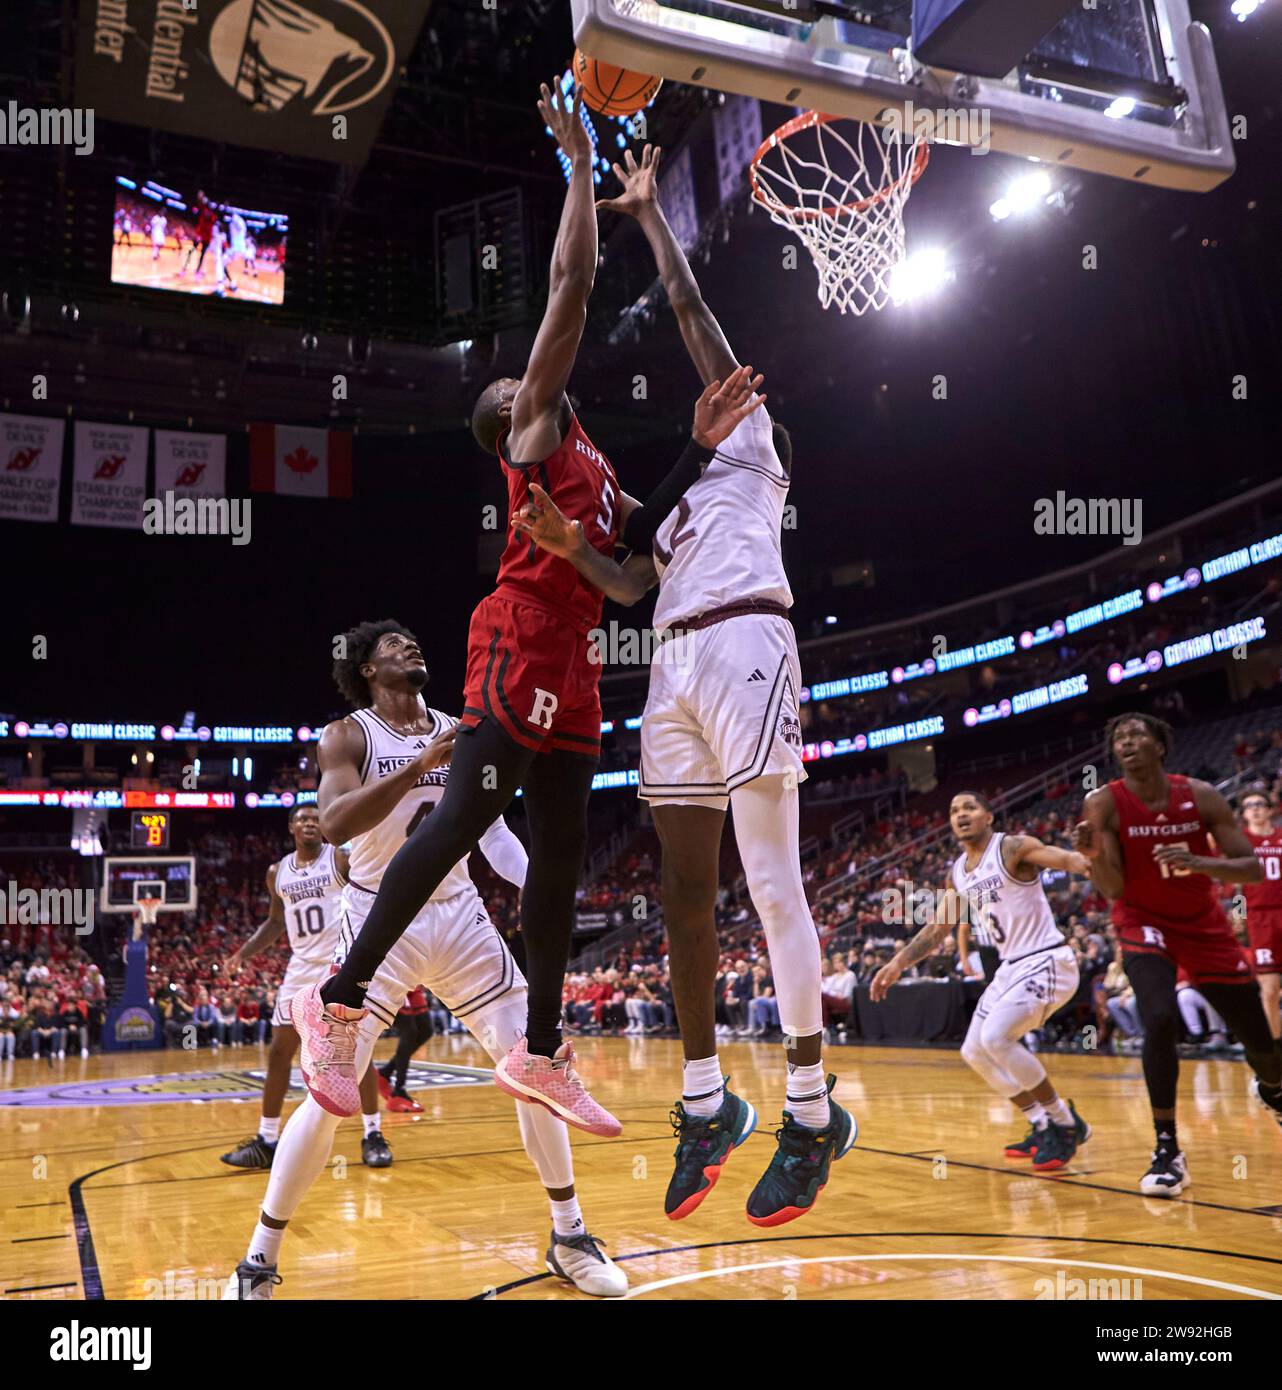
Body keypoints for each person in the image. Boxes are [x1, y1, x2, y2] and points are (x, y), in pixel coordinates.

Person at [295, 86, 761, 1139]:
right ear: (502, 421)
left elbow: (635, 574)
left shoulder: (590, 459)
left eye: (522, 377)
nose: (522, 376)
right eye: (506, 384)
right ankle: (340, 1000)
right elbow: (573, 278)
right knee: (463, 815)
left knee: (560, 851)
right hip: (516, 634)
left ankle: (541, 1050)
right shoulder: (534, 432)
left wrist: (691, 445)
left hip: (581, 651)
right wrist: (577, 162)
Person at [513, 142, 854, 1227]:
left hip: (749, 642)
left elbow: (688, 304)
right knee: (682, 899)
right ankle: (706, 1101)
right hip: (670, 665)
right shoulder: (677, 504)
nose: (714, 393)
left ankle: (808, 1108)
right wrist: (571, 546)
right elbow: (620, 585)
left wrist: (653, 214)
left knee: (773, 880)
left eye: (728, 394)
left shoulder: (748, 445)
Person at [225, 619, 627, 1299]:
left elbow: (493, 830)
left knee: (535, 1067)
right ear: (366, 670)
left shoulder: (465, 724)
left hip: (461, 916)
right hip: (379, 921)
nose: (411, 645)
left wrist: (545, 892)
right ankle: (258, 1261)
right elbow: (338, 824)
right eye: (393, 644)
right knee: (328, 1097)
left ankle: (569, 1234)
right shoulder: (348, 735)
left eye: (414, 638)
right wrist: (416, 766)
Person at [1072, 712, 1282, 1196]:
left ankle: (1272, 1089)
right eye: (1118, 738)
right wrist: (1092, 855)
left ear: (1160, 745)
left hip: (1203, 925)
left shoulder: (1201, 795)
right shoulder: (1103, 802)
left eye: (1135, 735)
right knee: (1160, 1016)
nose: (1126, 743)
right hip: (1143, 923)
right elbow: (1113, 888)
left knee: (1261, 1044)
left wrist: (1199, 862)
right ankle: (1167, 1149)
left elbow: (1250, 869)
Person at [872, 793, 1092, 1172]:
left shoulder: (1012, 847)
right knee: (973, 1051)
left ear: (988, 816)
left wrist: (1087, 854)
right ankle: (1041, 1124)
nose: (961, 815)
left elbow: (1068, 861)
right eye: (954, 810)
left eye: (969, 808)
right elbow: (939, 927)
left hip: (1047, 958)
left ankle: (1066, 1124)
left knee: (995, 1038)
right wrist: (898, 963)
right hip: (1009, 968)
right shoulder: (958, 871)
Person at [219, 806, 390, 1172]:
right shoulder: (276, 872)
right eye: (303, 819)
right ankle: (266, 1139)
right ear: (292, 827)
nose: (310, 823)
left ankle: (373, 1134)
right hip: (298, 970)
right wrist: (242, 954)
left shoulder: (340, 859)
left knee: (360, 1051)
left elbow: (371, 895)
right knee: (280, 1051)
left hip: (339, 964)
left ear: (324, 825)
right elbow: (275, 922)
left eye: (316, 818)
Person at [1239, 790, 1282, 1039]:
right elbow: (1235, 885)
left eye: (1259, 804)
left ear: (1269, 809)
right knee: (1269, 989)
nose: (1255, 809)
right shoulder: (1240, 843)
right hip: (1259, 919)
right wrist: (1240, 915)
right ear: (1244, 814)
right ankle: (1274, 1050)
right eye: (1249, 805)